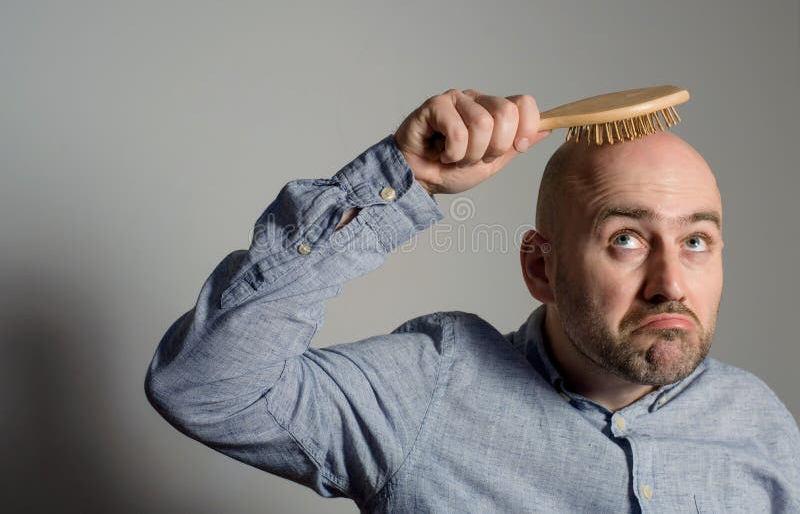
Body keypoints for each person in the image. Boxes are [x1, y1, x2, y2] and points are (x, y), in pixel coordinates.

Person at [145, 89, 800, 512]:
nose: (670, 282)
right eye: (626, 238)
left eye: (697, 241)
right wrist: (404, 176)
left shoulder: (760, 426)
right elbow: (207, 386)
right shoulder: (432, 387)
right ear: (540, 268)